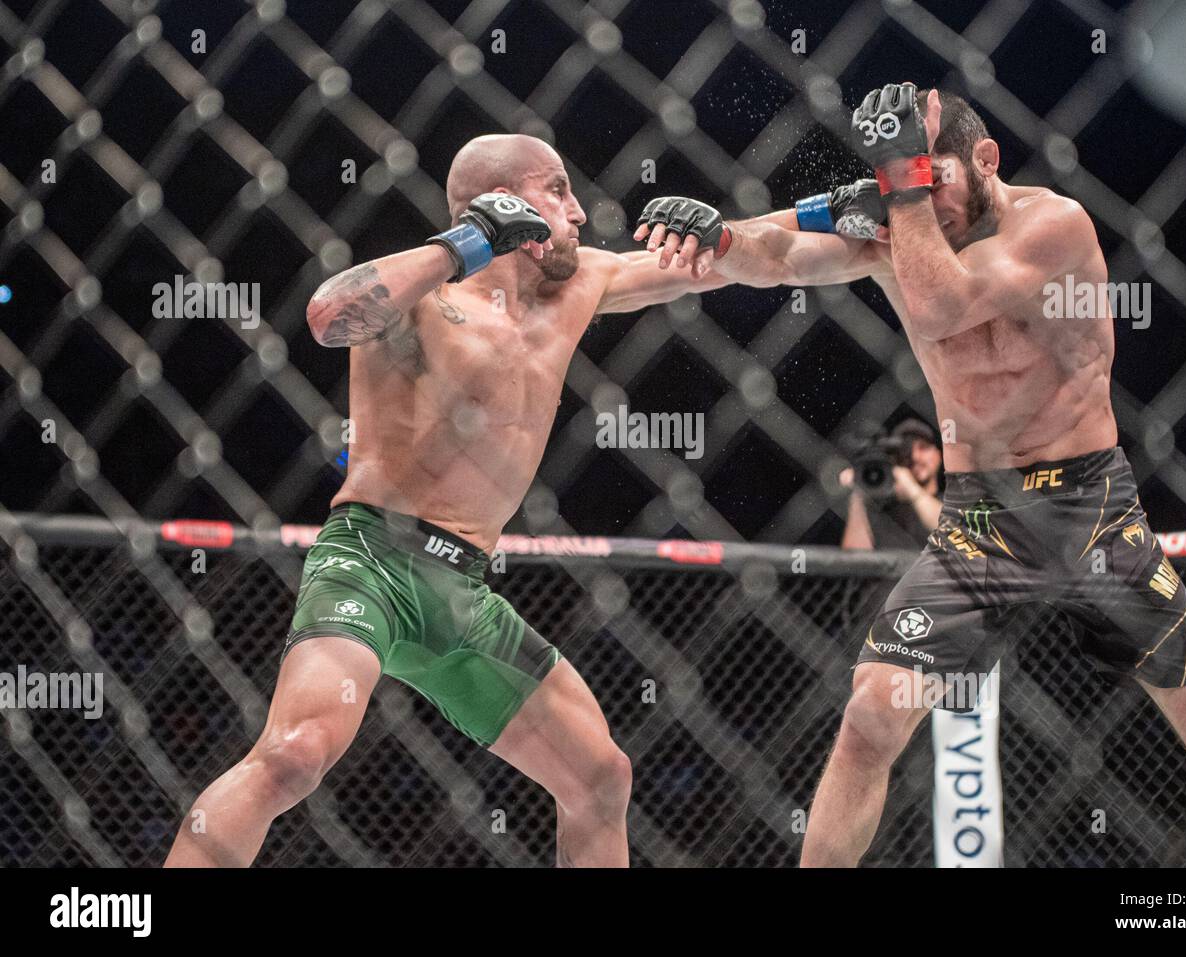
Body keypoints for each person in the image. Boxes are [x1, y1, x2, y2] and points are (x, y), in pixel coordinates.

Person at [633, 83, 1186, 867]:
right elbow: (779, 254)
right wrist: (722, 235)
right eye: (907, 181)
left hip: (1093, 508)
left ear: (986, 160)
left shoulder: (1054, 226)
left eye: (934, 178)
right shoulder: (903, 219)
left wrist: (896, 191)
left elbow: (949, 305)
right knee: (871, 716)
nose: (925, 199)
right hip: (980, 517)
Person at [165, 133, 755, 868]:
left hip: (465, 592)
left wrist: (806, 217)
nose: (579, 210)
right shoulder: (425, 296)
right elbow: (326, 315)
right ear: (504, 202)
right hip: (370, 560)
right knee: (294, 751)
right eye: (558, 189)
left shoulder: (577, 288)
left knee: (601, 776)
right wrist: (462, 243)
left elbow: (719, 266)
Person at [841, 417, 943, 551]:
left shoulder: (958, 500)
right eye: (905, 451)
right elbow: (853, 562)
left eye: (923, 448)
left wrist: (913, 491)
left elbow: (954, 533)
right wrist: (859, 493)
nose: (915, 457)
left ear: (939, 454)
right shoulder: (881, 513)